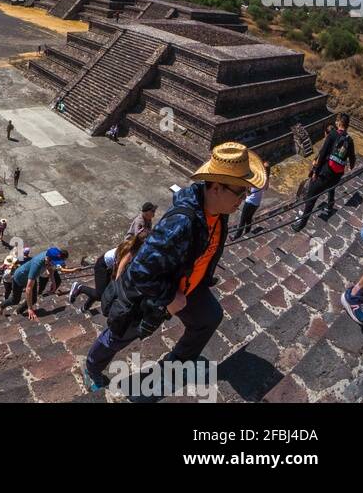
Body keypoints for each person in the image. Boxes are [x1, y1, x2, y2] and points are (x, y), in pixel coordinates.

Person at [83, 142, 266, 392]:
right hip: (152, 295)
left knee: (209, 317)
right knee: (119, 336)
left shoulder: (220, 211)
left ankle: (178, 362)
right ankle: (92, 367)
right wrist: (170, 297)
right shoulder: (180, 224)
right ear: (214, 187)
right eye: (240, 192)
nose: (243, 200)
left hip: (189, 284)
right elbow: (139, 272)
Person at [293, 114, 356, 231]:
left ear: (339, 122)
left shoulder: (332, 135)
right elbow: (352, 159)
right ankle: (329, 205)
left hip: (324, 174)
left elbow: (322, 155)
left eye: (337, 121)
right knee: (329, 189)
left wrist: (315, 172)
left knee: (311, 198)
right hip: (336, 177)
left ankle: (301, 224)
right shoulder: (350, 140)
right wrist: (350, 167)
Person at [69, 232, 147, 313]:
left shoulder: (133, 246)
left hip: (109, 267)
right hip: (102, 266)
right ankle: (80, 287)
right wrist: (117, 288)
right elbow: (119, 271)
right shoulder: (130, 253)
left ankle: (85, 308)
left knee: (101, 291)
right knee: (100, 295)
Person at [0, 247, 68, 319]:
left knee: (33, 299)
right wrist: (30, 308)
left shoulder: (50, 256)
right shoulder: (37, 265)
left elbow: (50, 268)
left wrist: (53, 281)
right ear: (49, 259)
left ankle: (18, 311)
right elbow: (28, 288)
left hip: (32, 277)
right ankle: (1, 305)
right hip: (19, 278)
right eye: (53, 262)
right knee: (15, 300)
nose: (54, 264)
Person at [233, 161, 269, 239]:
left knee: (242, 220)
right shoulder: (266, 180)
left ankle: (236, 236)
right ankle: (247, 232)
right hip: (257, 203)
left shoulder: (256, 179)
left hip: (250, 202)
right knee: (249, 218)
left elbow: (248, 192)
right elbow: (265, 189)